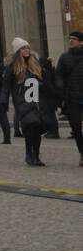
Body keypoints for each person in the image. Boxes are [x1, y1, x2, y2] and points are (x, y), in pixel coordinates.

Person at [1, 38, 48, 167]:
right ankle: (29, 153)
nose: (26, 50)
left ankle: (36, 155)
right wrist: (3, 101)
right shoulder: (12, 68)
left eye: (27, 47)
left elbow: (46, 81)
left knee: (37, 127)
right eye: (23, 48)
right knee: (30, 125)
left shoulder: (35, 64)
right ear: (18, 51)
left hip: (36, 101)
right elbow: (5, 86)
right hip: (22, 101)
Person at [55, 31, 83, 166]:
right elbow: (58, 75)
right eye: (70, 38)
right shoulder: (64, 57)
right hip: (72, 98)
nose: (71, 41)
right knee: (76, 127)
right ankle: (82, 153)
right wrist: (61, 89)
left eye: (74, 39)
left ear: (81, 42)